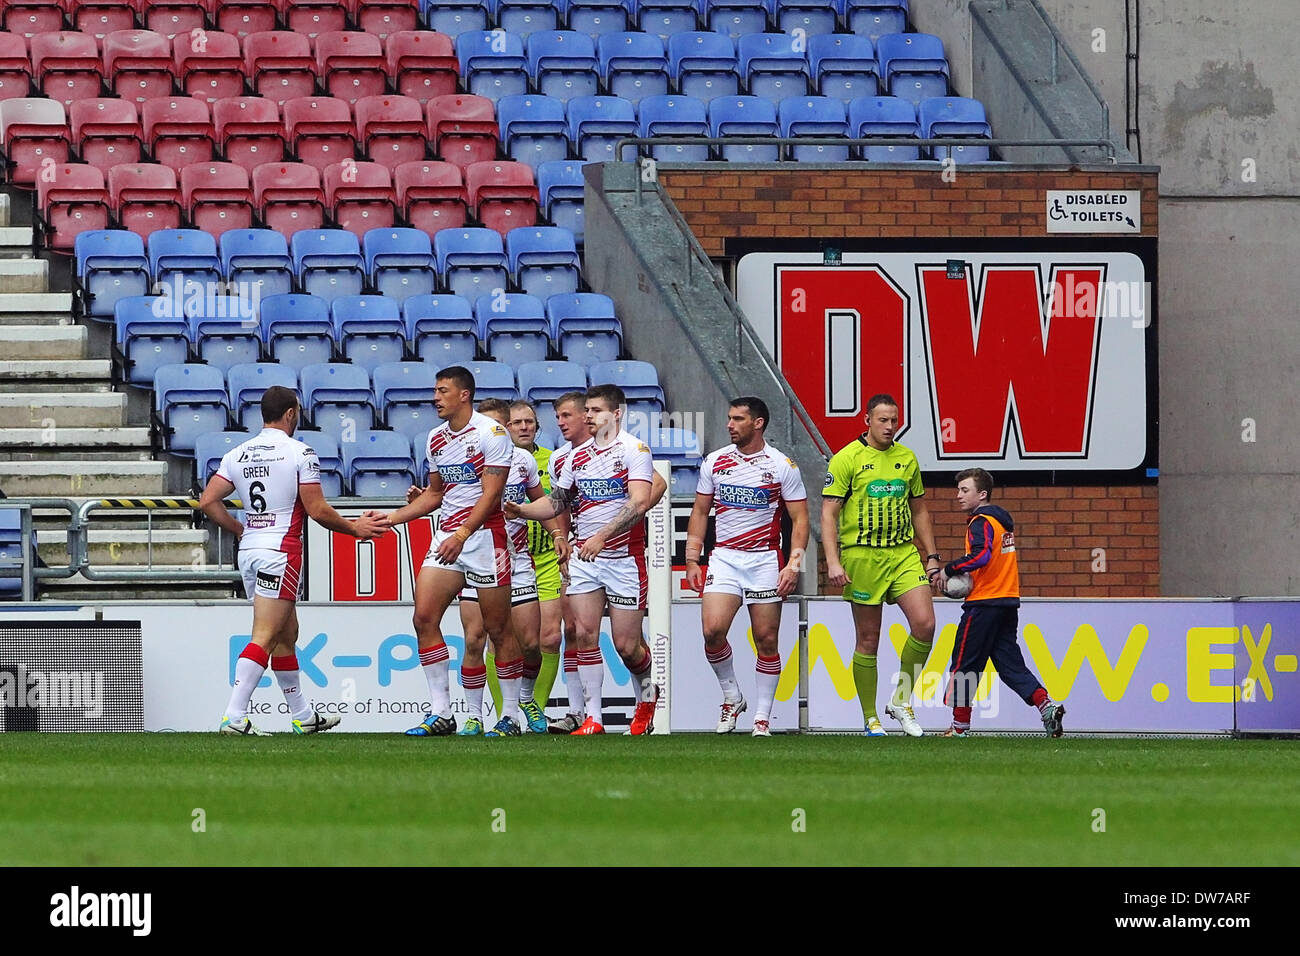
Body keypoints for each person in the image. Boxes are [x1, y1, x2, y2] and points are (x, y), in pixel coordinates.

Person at [200, 385, 386, 736]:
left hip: (251, 550)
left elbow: (208, 501)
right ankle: (234, 716)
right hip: (280, 552)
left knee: (287, 634)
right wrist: (354, 529)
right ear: (290, 414)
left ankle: (302, 716)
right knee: (265, 635)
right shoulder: (301, 452)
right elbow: (316, 509)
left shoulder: (237, 454)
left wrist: (240, 528)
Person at [507, 384, 661, 735]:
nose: (588, 416)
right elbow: (557, 502)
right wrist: (522, 510)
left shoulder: (634, 450)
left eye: (595, 411)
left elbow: (639, 501)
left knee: (627, 646)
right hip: (585, 560)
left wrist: (602, 536)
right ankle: (594, 718)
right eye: (586, 410)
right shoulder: (573, 456)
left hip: (623, 559)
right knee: (584, 635)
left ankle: (648, 696)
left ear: (616, 413)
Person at [379, 366, 517, 738]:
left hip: (486, 539)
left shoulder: (493, 434)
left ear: (464, 395)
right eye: (435, 391)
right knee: (423, 618)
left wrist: (463, 532)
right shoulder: (436, 439)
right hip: (448, 537)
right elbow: (436, 493)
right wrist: (392, 518)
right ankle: (441, 712)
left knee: (498, 628)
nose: (435, 398)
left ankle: (511, 715)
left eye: (442, 391)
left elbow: (491, 495)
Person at [685, 397, 809, 737]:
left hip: (765, 559)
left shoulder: (782, 465)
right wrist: (693, 558)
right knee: (712, 631)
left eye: (738, 419)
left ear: (758, 423)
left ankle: (762, 718)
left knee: (766, 639)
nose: (729, 424)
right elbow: (699, 511)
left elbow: (800, 520)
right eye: (729, 418)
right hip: (724, 557)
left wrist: (793, 565)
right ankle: (731, 697)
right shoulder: (716, 461)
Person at [822, 394, 939, 738]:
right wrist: (832, 561)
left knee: (925, 624)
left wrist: (931, 556)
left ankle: (901, 701)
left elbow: (919, 510)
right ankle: (871, 717)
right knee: (868, 638)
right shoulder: (847, 459)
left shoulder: (907, 458)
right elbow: (828, 514)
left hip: (902, 553)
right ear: (867, 420)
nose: (890, 427)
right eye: (883, 420)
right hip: (862, 555)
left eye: (894, 421)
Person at [452, 398, 568, 735]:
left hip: (515, 561)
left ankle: (527, 700)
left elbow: (541, 502)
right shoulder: (461, 458)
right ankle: (477, 716)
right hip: (476, 560)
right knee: (475, 638)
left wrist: (558, 533)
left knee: (531, 643)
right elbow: (442, 496)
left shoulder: (522, 462)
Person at [934, 468, 1065, 737]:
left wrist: (950, 568)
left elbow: (981, 557)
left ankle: (959, 727)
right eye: (958, 490)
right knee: (1009, 665)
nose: (958, 496)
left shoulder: (980, 521)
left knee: (964, 663)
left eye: (965, 490)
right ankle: (1046, 705)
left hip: (984, 603)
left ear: (982, 494)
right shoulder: (1001, 522)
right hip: (1007, 601)